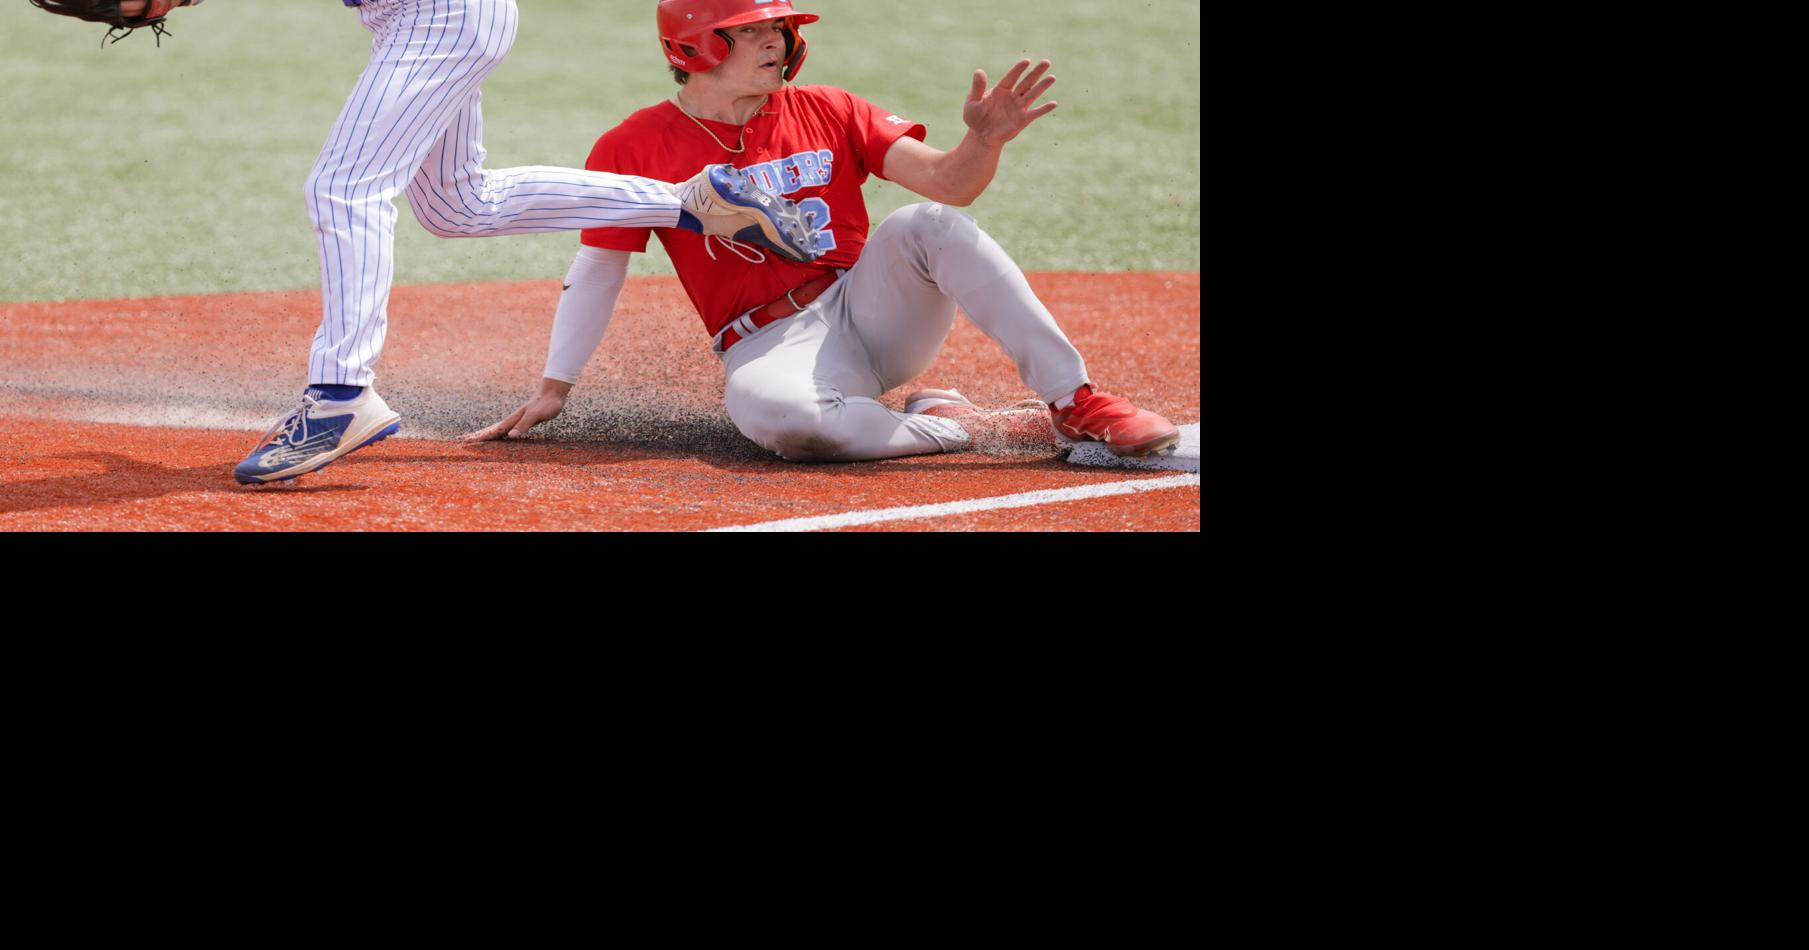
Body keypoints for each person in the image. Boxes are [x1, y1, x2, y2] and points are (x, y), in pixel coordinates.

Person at [463, 0, 1180, 463]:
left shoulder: (829, 107)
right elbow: (598, 266)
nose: (775, 39)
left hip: (870, 308)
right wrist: (557, 386)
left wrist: (982, 144)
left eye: (779, 27)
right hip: (764, 341)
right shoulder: (634, 144)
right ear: (693, 47)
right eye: (750, 30)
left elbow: (948, 186)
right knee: (789, 425)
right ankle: (974, 426)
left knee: (925, 223)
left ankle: (1074, 401)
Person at [228, 0, 821, 485]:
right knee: (455, 205)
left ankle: (338, 393)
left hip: (440, 12)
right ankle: (693, 203)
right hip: (421, 17)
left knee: (343, 187)